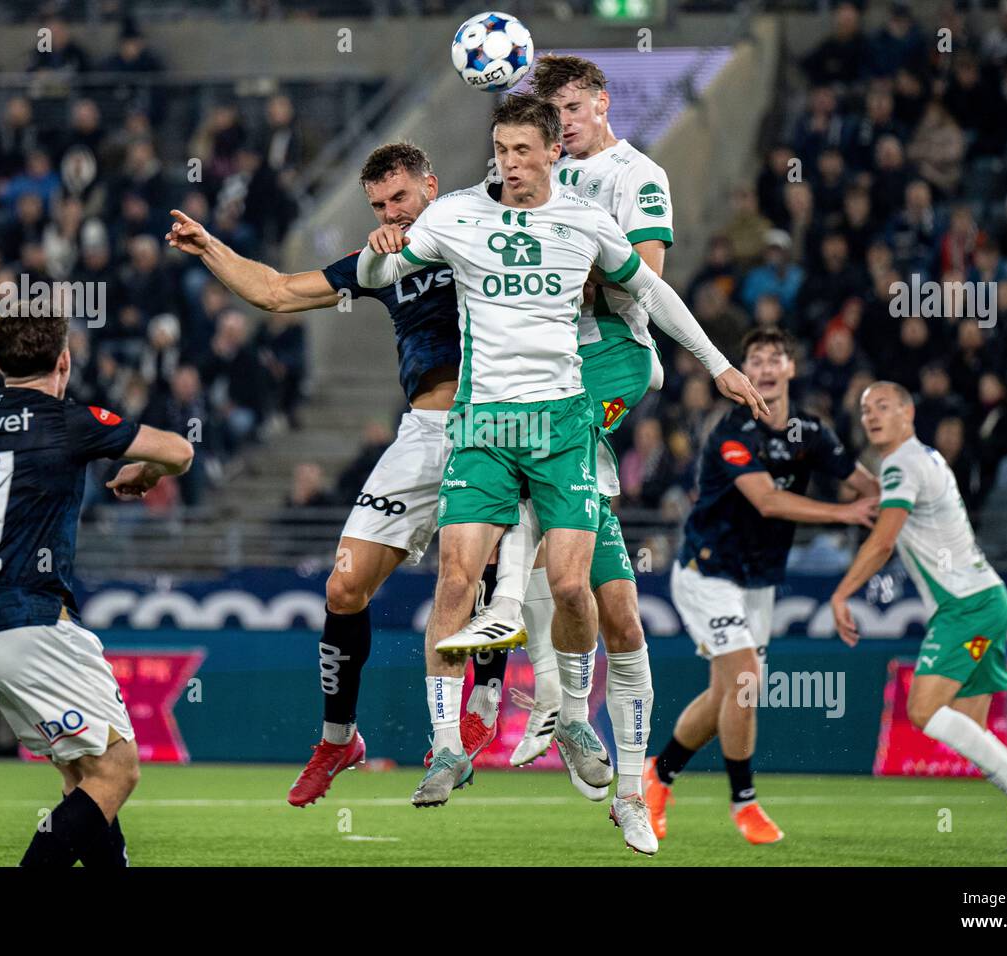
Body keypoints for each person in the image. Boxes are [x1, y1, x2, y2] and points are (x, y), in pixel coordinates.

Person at [356, 94, 766, 835]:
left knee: (575, 586)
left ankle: (572, 716)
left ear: (552, 152)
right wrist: (378, 247)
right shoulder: (452, 214)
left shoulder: (586, 220)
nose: (509, 164)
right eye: (501, 150)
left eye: (522, 151)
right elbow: (377, 275)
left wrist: (718, 364)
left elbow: (655, 293)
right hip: (482, 424)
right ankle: (446, 744)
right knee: (454, 577)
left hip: (562, 427)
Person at [166, 143, 514, 807]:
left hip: (493, 428)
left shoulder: (480, 226)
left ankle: (486, 698)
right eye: (379, 204)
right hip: (421, 432)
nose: (391, 212)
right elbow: (274, 292)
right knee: (345, 585)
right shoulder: (382, 263)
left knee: (473, 567)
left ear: (432, 186)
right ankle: (338, 739)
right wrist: (209, 246)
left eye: (401, 198)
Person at [437, 54, 676, 853]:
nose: (566, 121)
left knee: (540, 484)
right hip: (534, 391)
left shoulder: (633, 175)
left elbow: (645, 279)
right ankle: (562, 705)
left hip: (603, 365)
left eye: (576, 107)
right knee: (612, 607)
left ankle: (529, 659)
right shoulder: (538, 175)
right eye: (555, 111)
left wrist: (560, 267)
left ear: (602, 104)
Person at [0, 315, 194, 867]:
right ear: (64, 361)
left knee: (83, 777)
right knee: (117, 769)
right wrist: (145, 472)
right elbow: (180, 451)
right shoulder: (69, 420)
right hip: (38, 623)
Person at [648, 329, 879, 844]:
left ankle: (658, 775)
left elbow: (867, 485)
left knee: (728, 692)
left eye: (777, 358)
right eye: (756, 359)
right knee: (748, 680)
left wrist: (902, 491)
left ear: (791, 370)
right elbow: (769, 501)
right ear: (745, 372)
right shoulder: (731, 430)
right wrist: (845, 512)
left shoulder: (811, 432)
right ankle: (744, 802)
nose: (767, 366)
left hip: (758, 583)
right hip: (708, 573)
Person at [829, 381, 1007, 855]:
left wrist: (841, 595)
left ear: (907, 413)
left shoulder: (903, 463)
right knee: (968, 729)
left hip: (966, 607)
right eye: (864, 410)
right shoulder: (922, 459)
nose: (871, 416)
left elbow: (881, 542)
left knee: (921, 709)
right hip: (986, 600)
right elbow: (890, 511)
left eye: (882, 407)